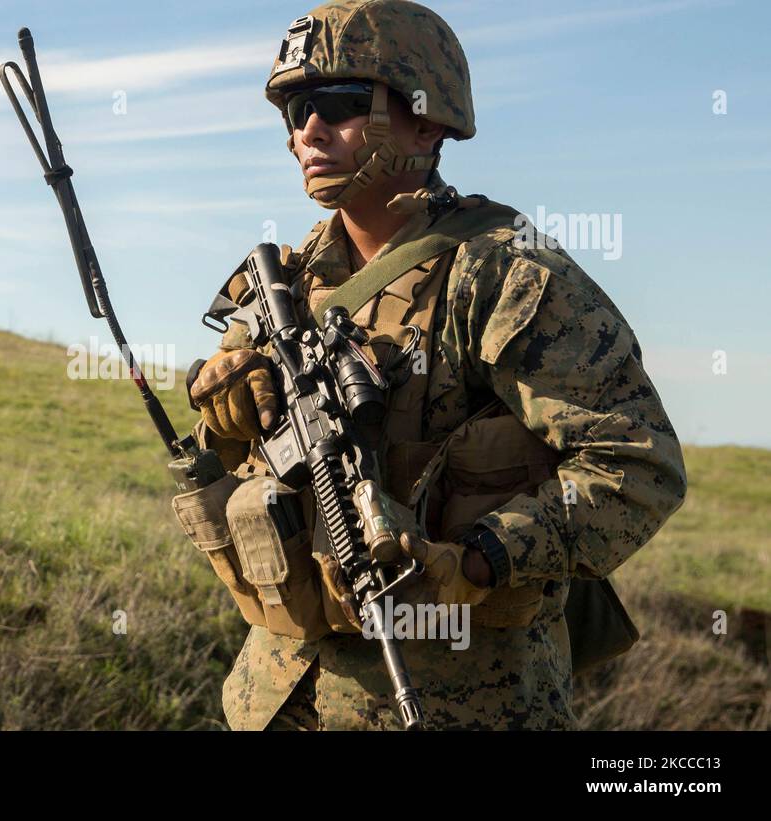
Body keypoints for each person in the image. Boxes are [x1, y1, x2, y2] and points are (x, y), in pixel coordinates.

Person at [178, 0, 687, 730]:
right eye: (293, 110)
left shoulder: (506, 276)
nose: (308, 130)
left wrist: (479, 559)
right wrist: (223, 424)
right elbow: (233, 477)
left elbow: (638, 465)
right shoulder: (280, 286)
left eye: (342, 103)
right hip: (278, 699)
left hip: (460, 704)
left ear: (427, 120)